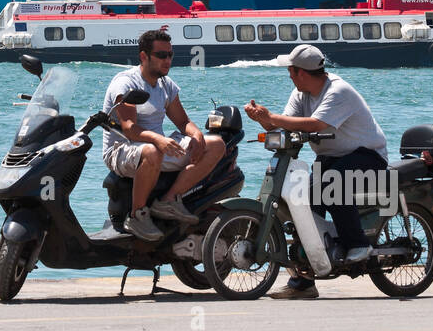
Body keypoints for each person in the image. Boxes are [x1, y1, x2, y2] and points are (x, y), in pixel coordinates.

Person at [243, 44, 388, 300]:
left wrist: (272, 117)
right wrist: (262, 119)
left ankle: (358, 244)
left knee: (334, 182)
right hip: (331, 157)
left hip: (367, 156)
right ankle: (304, 280)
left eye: (290, 70)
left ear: (300, 72)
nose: (288, 75)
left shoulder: (338, 91)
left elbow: (316, 124)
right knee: (303, 204)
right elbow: (285, 124)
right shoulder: (301, 94)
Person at [102, 29, 225, 242]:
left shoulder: (165, 84)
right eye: (161, 55)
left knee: (217, 144)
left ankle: (169, 200)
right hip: (122, 150)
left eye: (170, 55)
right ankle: (137, 215)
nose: (167, 60)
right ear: (144, 56)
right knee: (152, 151)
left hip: (155, 148)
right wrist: (158, 139)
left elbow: (183, 122)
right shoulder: (126, 83)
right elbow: (129, 128)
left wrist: (196, 135)